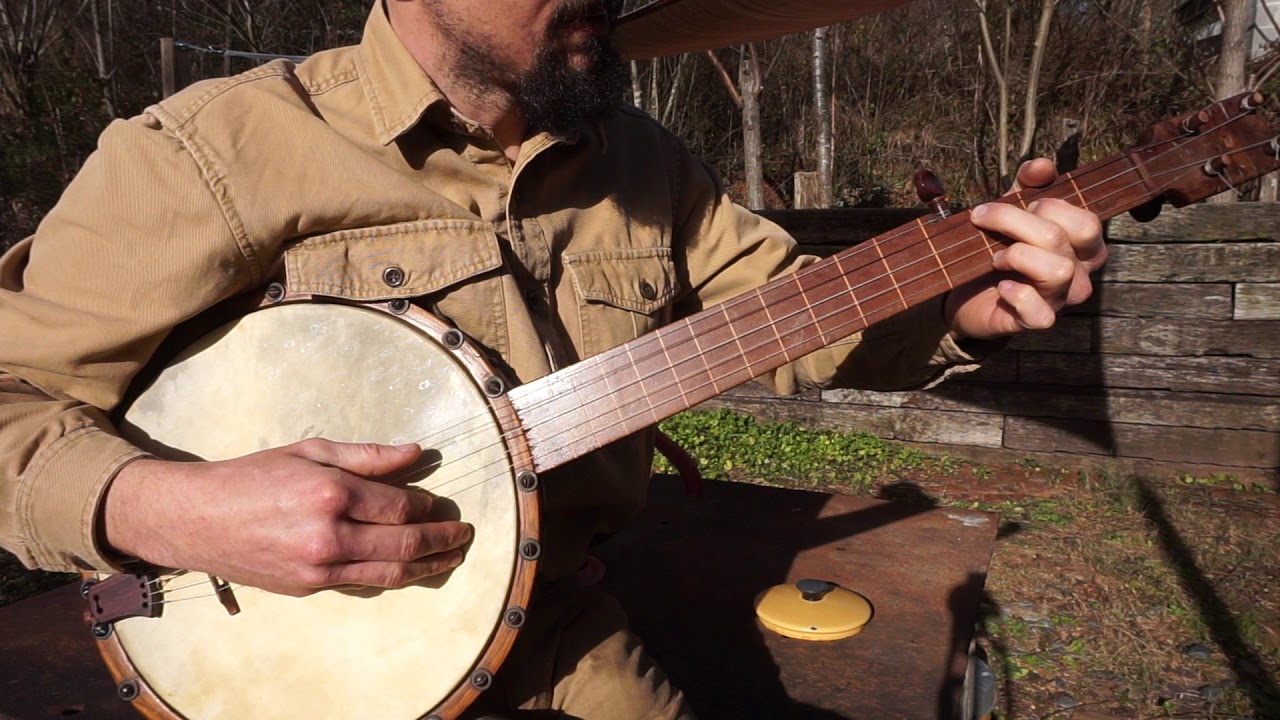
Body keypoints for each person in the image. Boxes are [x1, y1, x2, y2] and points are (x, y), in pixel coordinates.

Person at [0, 0, 1106, 717]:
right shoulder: (210, 154)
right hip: (291, 672)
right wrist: (170, 511)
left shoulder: (643, 162)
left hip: (556, 628)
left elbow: (790, 317)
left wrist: (957, 301)